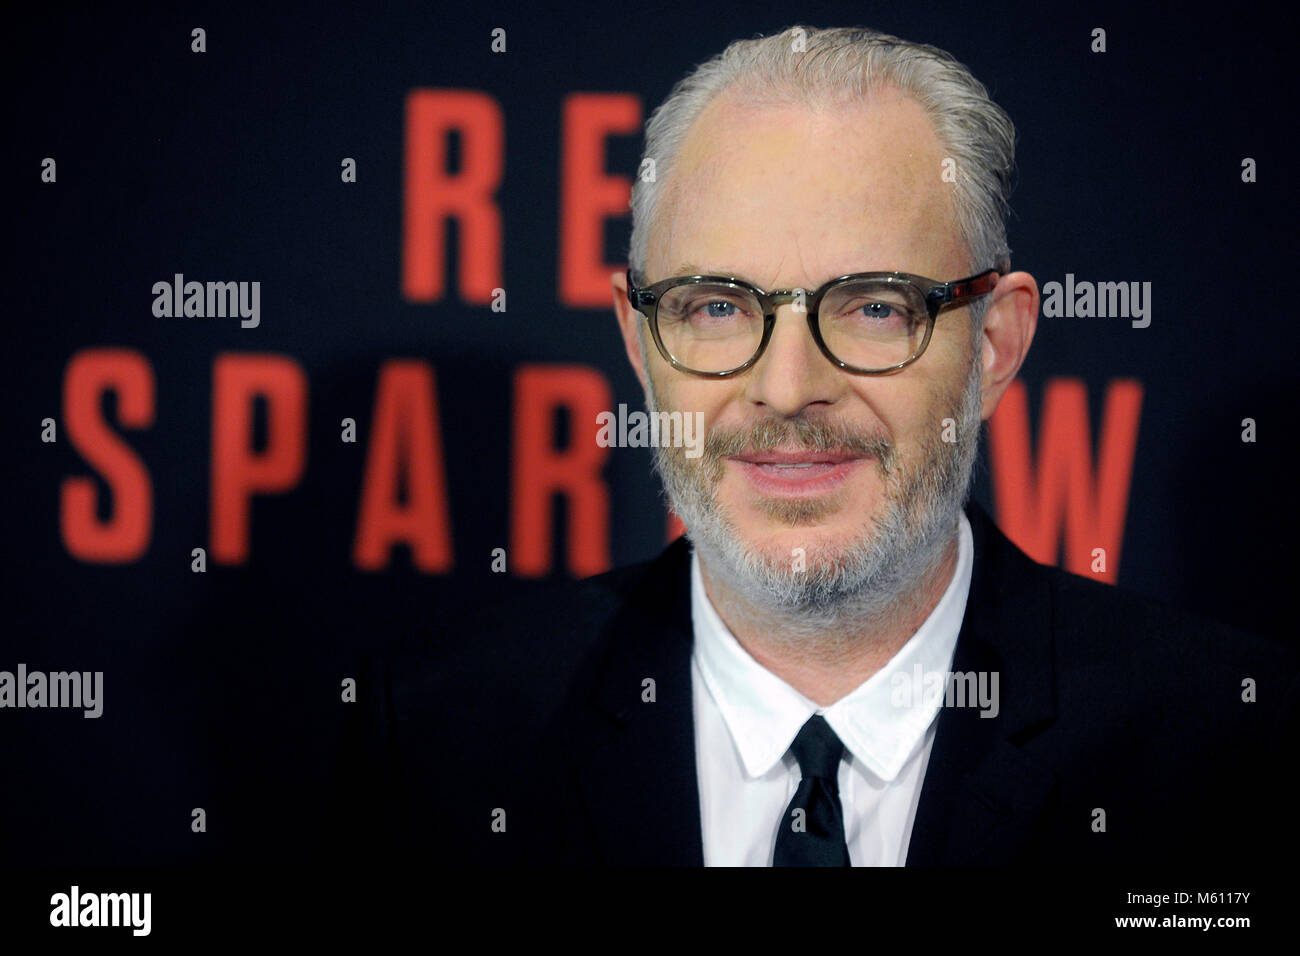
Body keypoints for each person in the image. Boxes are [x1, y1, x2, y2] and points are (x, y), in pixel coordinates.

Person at [334, 25, 1297, 867]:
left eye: (875, 307)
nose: (787, 389)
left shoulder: (1233, 743)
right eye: (716, 306)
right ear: (638, 340)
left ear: (996, 343)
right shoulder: (443, 735)